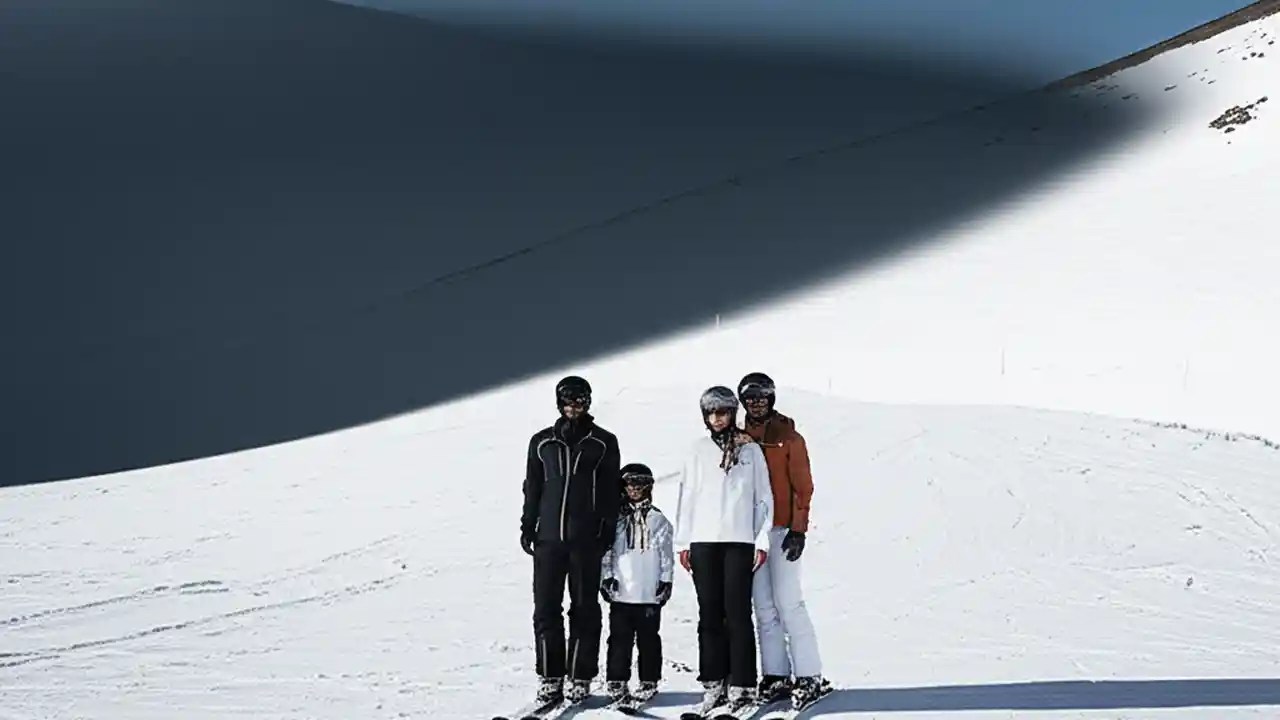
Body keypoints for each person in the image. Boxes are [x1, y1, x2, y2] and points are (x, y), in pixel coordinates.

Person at [520, 375, 622, 706]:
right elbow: (533, 487)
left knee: (585, 609)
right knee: (546, 609)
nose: (574, 407)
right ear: (559, 403)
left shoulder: (603, 442)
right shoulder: (542, 442)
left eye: (580, 401)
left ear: (589, 402)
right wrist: (527, 525)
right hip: (548, 540)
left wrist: (606, 527)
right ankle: (550, 676)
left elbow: (609, 490)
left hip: (585, 542)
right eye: (568, 401)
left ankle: (580, 676)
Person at [673, 386, 774, 715]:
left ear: (732, 413)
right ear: (705, 416)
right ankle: (714, 683)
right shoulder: (697, 450)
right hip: (703, 542)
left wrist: (761, 540)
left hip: (739, 541)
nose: (718, 418)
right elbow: (686, 497)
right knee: (710, 615)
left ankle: (743, 686)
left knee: (738, 614)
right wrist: (683, 542)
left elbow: (763, 497)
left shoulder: (751, 450)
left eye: (724, 412)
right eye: (712, 413)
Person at [737, 372, 831, 710]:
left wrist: (798, 529)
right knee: (763, 607)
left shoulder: (789, 438)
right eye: (750, 398)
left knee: (788, 601)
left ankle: (809, 675)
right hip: (750, 534)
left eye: (762, 396)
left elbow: (803, 486)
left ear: (771, 399)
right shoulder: (739, 437)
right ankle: (776, 675)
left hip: (781, 531)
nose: (756, 402)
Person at [599, 462, 674, 705]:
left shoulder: (658, 519)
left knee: (649, 638)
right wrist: (606, 577)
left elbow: (666, 554)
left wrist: (666, 581)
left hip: (648, 591)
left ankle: (648, 680)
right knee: (619, 638)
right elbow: (608, 551)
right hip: (622, 590)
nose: (635, 488)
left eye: (640, 483)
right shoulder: (616, 520)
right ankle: (616, 680)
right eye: (630, 483)